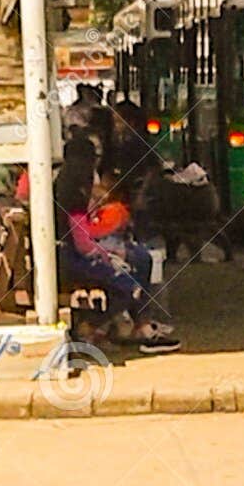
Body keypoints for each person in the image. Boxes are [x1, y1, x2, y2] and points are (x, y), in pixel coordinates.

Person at [56, 136, 179, 353]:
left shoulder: (63, 187)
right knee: (128, 281)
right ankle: (91, 329)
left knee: (137, 258)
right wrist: (110, 253)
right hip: (72, 259)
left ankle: (137, 325)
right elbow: (84, 243)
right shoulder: (74, 196)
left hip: (65, 254)